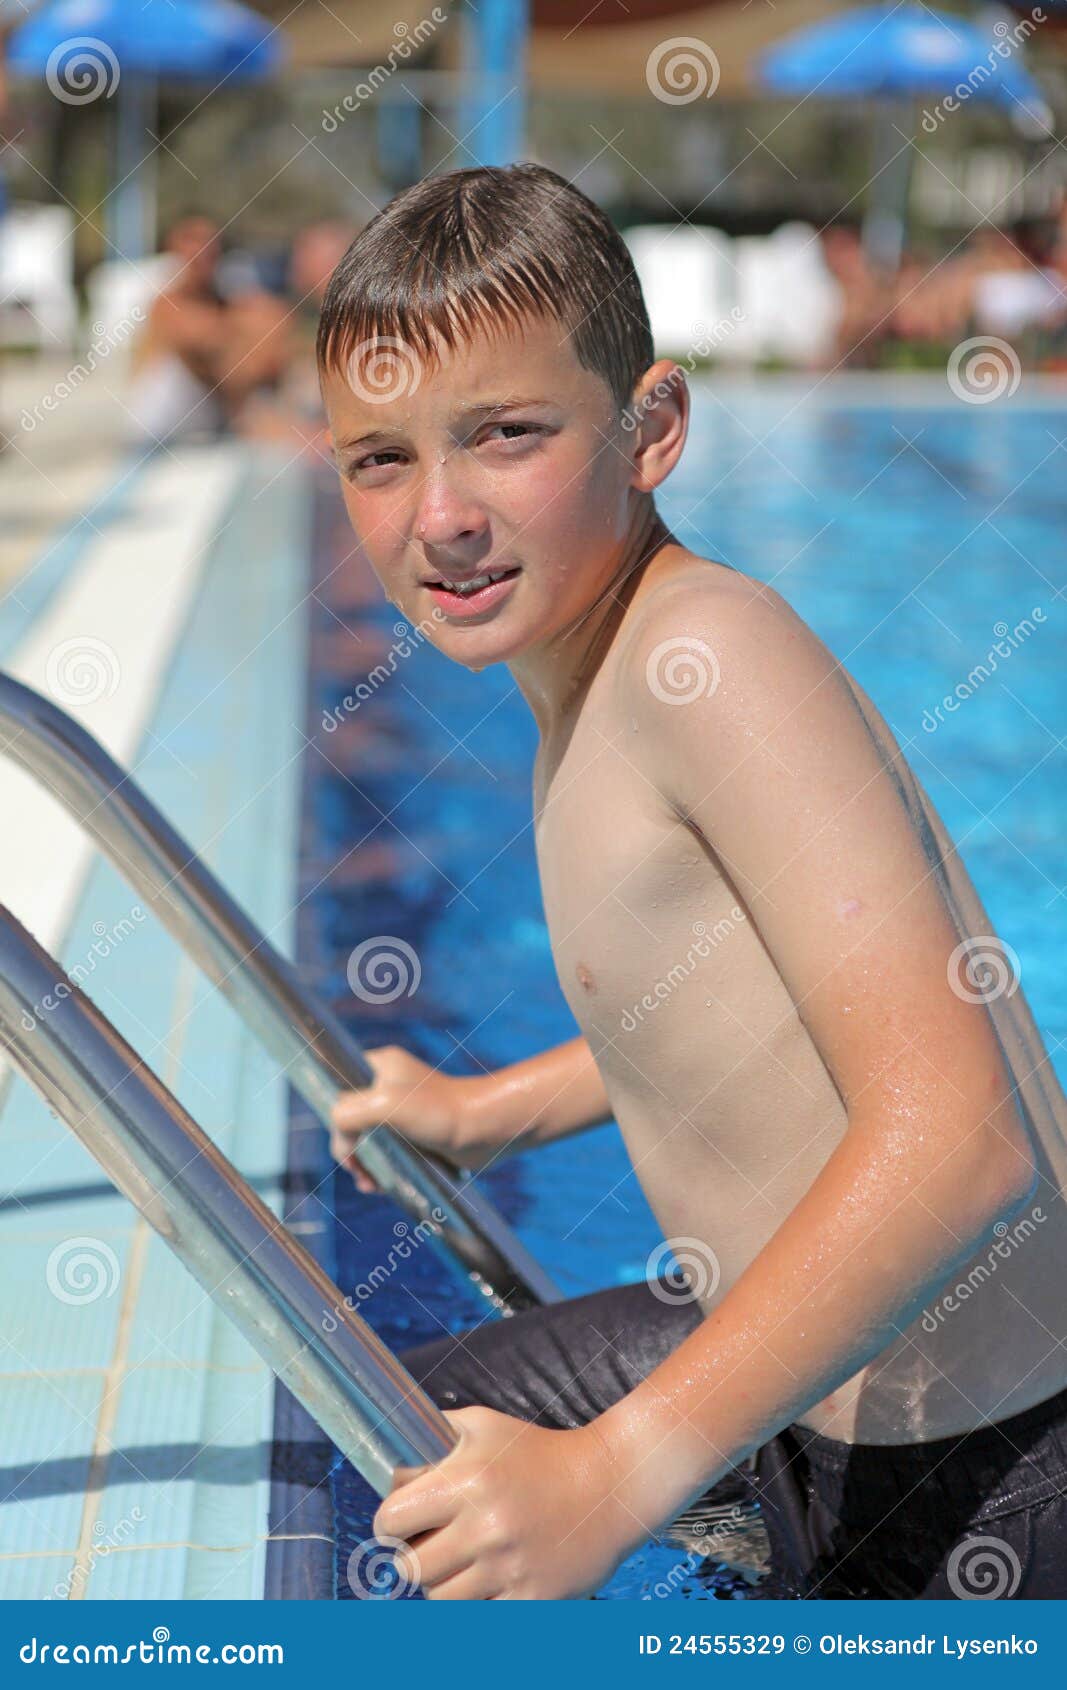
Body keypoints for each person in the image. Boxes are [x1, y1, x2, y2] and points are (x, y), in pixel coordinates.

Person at [315, 163, 1067, 1601]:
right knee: (360, 1436)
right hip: (796, 1392)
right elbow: (721, 1009)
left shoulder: (702, 660)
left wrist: (614, 1469)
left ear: (649, 428)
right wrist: (491, 1109)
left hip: (990, 1480)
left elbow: (960, 1138)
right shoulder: (590, 676)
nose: (440, 514)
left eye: (505, 434)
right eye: (380, 457)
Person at [125, 215, 292, 445]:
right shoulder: (166, 306)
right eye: (192, 243)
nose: (201, 253)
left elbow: (275, 331)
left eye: (209, 246)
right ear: (175, 251)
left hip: (205, 437)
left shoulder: (226, 305)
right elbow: (220, 364)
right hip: (158, 441)